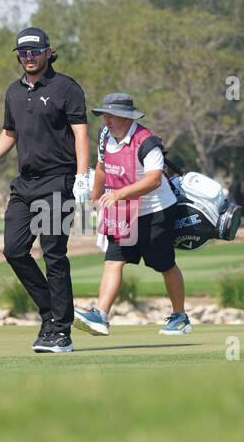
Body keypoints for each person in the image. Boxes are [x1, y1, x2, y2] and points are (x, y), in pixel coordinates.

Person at [0, 27, 89, 354]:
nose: (29, 57)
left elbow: (81, 136)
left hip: (58, 182)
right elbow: (10, 133)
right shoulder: (14, 92)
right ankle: (50, 314)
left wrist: (82, 177)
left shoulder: (66, 88)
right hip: (26, 184)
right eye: (23, 53)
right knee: (14, 250)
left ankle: (61, 331)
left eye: (35, 51)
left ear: (49, 52)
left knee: (54, 255)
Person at [73, 93, 191, 337]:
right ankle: (101, 315)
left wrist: (119, 194)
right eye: (105, 115)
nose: (107, 121)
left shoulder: (147, 142)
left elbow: (153, 180)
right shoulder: (105, 136)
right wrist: (96, 200)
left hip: (156, 211)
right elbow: (102, 169)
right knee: (114, 259)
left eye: (112, 116)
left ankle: (180, 316)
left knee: (164, 264)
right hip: (124, 212)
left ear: (127, 118)